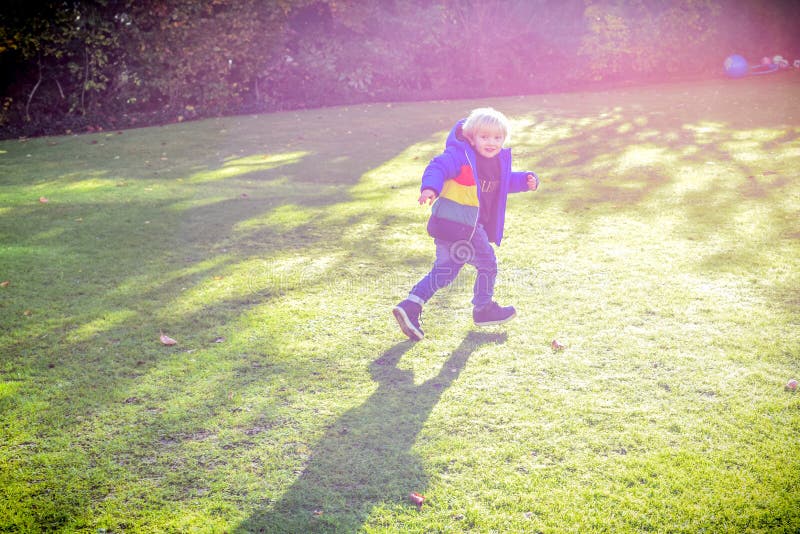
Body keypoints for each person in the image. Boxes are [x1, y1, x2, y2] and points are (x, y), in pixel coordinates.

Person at [393, 107, 539, 341]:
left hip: (453, 227)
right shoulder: (460, 155)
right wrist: (430, 188)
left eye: (497, 137)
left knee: (446, 270)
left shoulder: (497, 162)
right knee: (487, 263)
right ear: (471, 137)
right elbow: (437, 167)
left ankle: (411, 305)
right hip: (464, 225)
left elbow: (503, 183)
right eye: (484, 137)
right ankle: (483, 309)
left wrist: (524, 180)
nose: (491, 142)